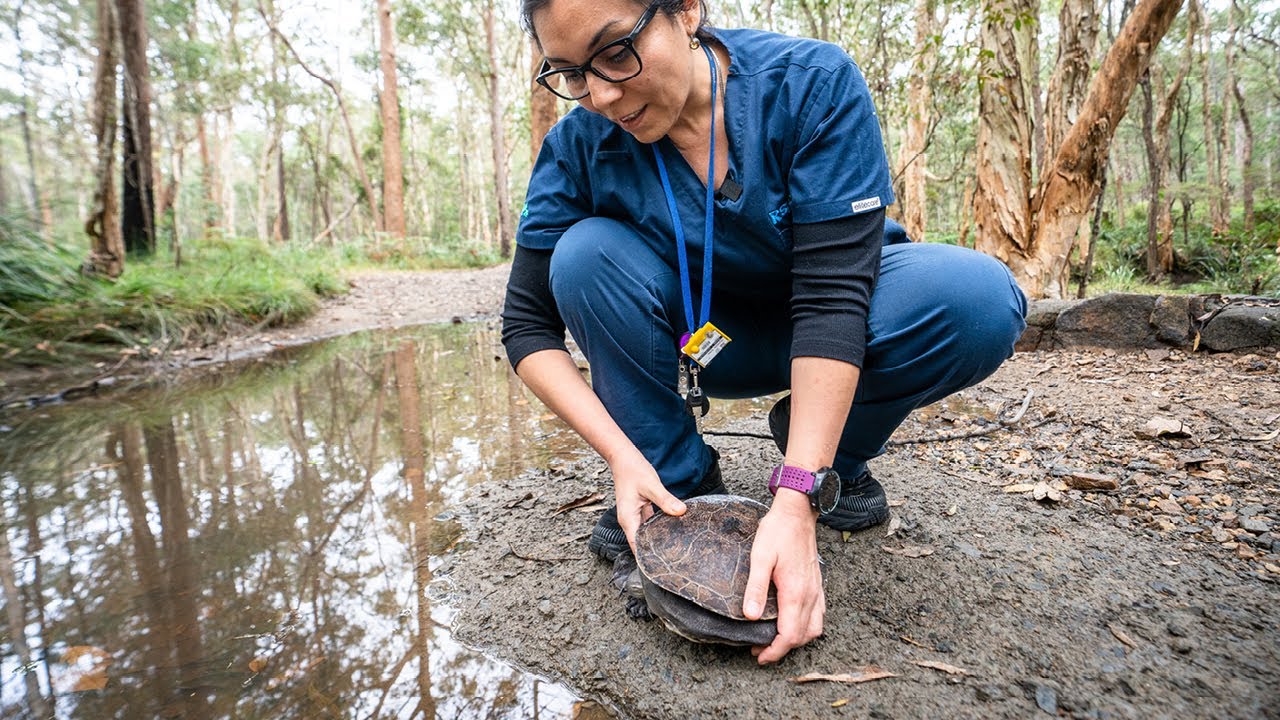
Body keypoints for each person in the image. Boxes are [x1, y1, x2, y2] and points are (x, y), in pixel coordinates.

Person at [501, 0, 1027, 665]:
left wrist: (798, 494)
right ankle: (673, 478)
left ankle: (832, 460)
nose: (601, 95)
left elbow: (832, 299)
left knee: (978, 301)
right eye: (572, 73)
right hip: (710, 343)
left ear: (686, 10)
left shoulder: (810, 84)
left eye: (615, 52)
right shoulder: (579, 145)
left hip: (844, 330)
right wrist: (621, 456)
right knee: (582, 256)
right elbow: (526, 324)